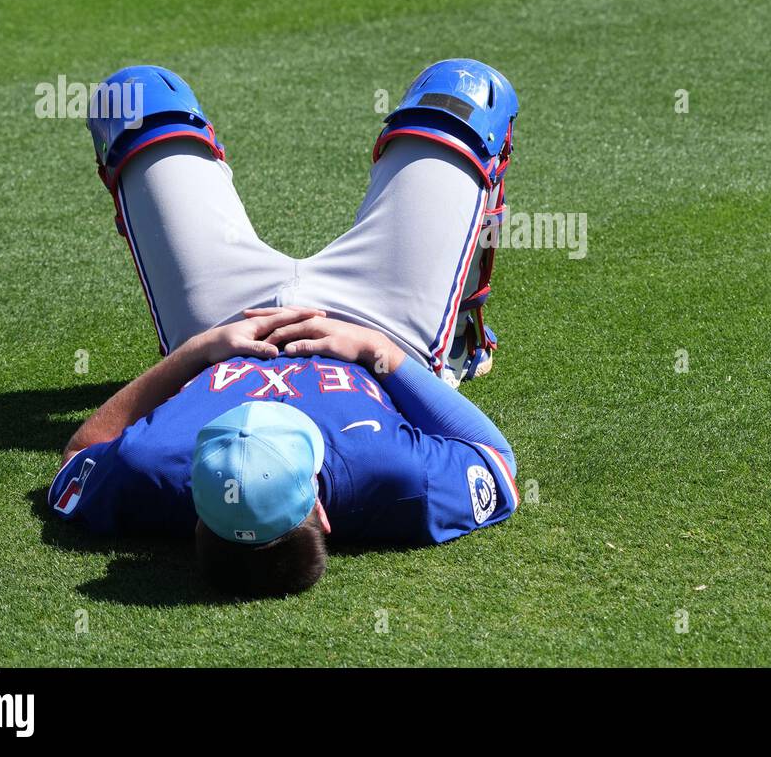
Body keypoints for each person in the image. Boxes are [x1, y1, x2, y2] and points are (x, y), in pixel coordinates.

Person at [49, 60, 520, 596]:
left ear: (198, 515)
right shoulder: (394, 478)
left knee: (133, 99)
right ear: (321, 512)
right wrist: (379, 352)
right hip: (378, 319)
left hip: (225, 317)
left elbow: (78, 455)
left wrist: (198, 351)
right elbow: (495, 460)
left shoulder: (150, 470)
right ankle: (461, 340)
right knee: (465, 94)